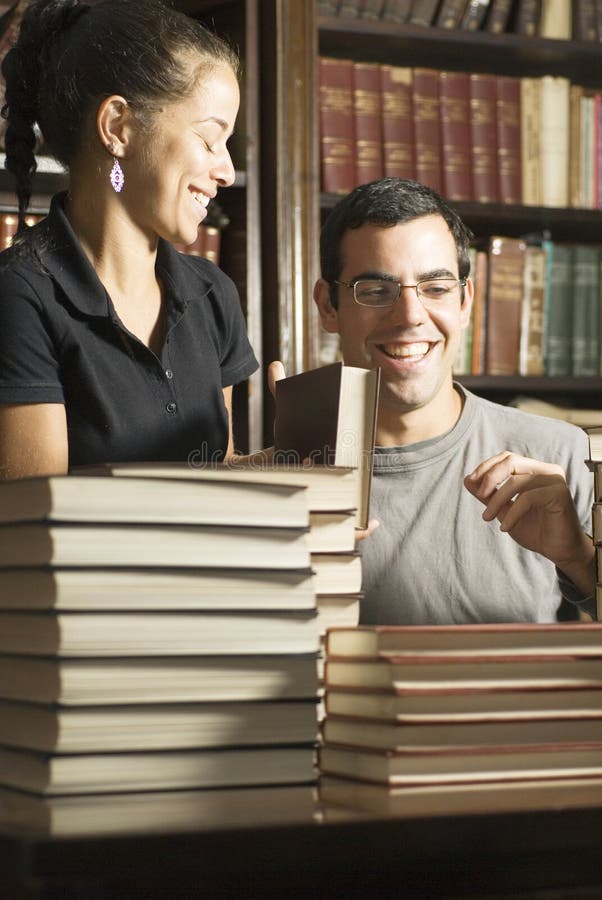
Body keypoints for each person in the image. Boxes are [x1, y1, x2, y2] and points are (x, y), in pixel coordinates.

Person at [312, 177, 597, 624]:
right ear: (329, 307)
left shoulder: (565, 456)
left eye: (437, 287)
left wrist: (579, 558)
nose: (410, 315)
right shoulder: (289, 477)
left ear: (465, 301)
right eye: (375, 289)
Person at [0, 0, 258, 479]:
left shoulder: (214, 294)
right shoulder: (18, 296)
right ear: (119, 127)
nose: (225, 170)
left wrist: (296, 473)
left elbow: (218, 476)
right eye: (209, 139)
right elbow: (36, 520)